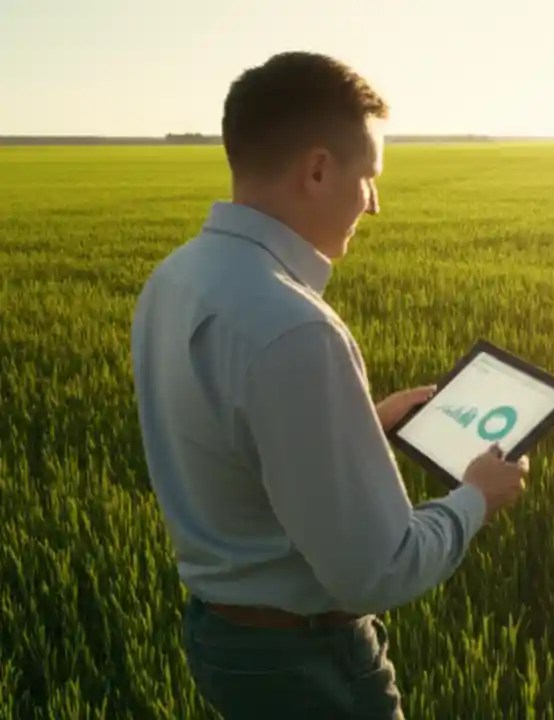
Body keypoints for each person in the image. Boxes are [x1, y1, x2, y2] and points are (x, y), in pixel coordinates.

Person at [129, 51, 528, 719]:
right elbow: (378, 569)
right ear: (317, 169)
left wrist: (360, 425)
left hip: (224, 641)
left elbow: (233, 444)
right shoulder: (293, 327)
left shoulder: (175, 278)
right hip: (306, 667)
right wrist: (476, 500)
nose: (375, 204)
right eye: (369, 176)